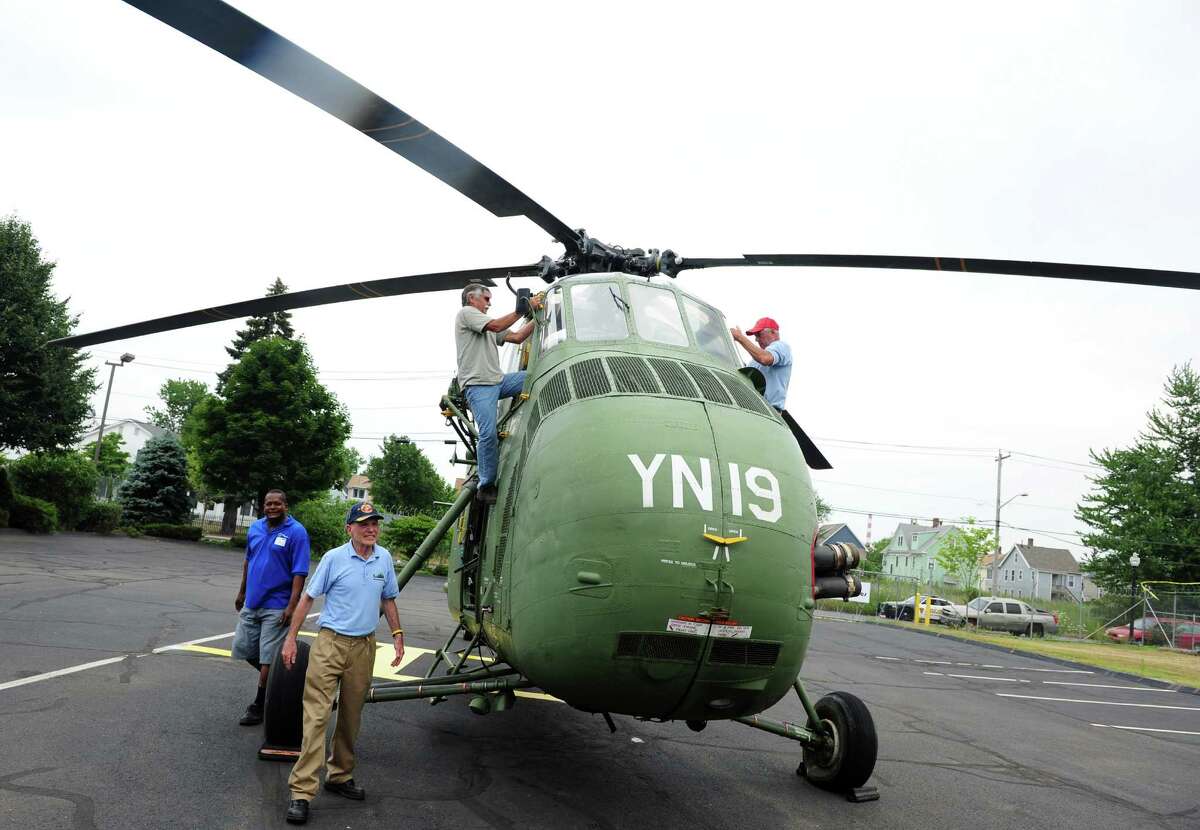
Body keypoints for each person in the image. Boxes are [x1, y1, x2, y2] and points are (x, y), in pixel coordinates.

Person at [280, 501, 405, 826]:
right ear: (349, 528)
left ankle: (339, 775)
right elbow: (308, 598)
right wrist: (291, 638)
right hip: (330, 644)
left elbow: (388, 597)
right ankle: (302, 792)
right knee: (317, 717)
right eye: (364, 524)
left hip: (364, 648)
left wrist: (397, 633)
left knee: (351, 716)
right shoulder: (334, 558)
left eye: (375, 523)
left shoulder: (384, 558)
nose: (371, 529)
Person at [454, 282, 542, 503]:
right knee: (488, 434)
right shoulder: (467, 314)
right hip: (478, 386)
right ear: (471, 299)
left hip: (498, 381)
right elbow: (495, 326)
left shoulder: (485, 322)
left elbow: (517, 337)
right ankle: (486, 485)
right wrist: (524, 308)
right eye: (486, 298)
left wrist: (540, 315)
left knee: (538, 376)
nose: (489, 303)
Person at [232, 488, 310, 726]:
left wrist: (291, 606)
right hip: (253, 601)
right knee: (244, 649)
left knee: (267, 657)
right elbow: (248, 560)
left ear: (286, 505)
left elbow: (299, 573)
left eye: (277, 504)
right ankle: (288, 682)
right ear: (263, 506)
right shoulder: (255, 528)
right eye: (268, 504)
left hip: (277, 605)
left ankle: (259, 704)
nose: (272, 507)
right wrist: (242, 591)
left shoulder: (297, 532)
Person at [730, 316, 792, 411]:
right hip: (751, 409)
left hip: (769, 412)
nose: (756, 339)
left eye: (759, 334)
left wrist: (739, 337)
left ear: (773, 332)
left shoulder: (781, 346)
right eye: (755, 336)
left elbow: (764, 358)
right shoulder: (754, 361)